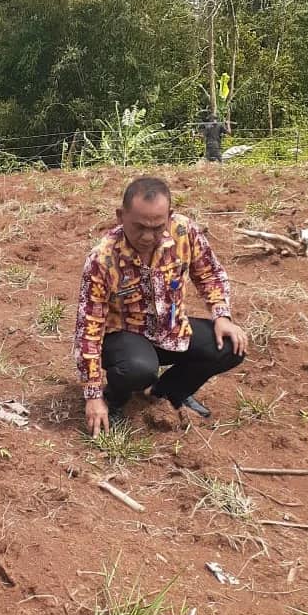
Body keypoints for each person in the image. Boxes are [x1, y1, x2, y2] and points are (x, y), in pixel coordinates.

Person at [74, 176, 247, 436]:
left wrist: (222, 316)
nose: (147, 236)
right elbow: (88, 327)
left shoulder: (184, 232)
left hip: (171, 329)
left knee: (231, 346)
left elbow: (209, 274)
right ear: (121, 216)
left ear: (169, 216)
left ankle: (167, 392)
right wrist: (93, 395)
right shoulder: (103, 258)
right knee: (138, 369)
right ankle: (116, 398)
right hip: (123, 338)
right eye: (139, 227)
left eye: (157, 227)